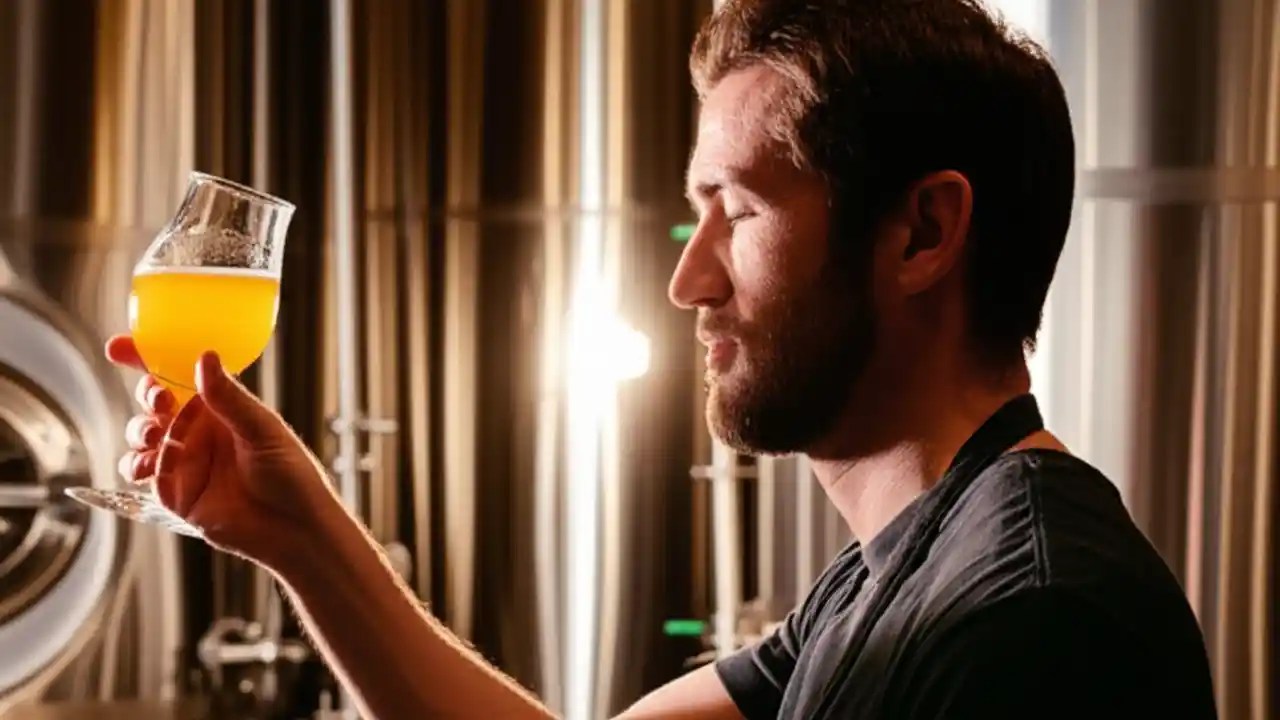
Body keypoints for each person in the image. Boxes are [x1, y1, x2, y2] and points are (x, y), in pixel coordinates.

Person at [111, 0, 1217, 718]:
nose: (688, 281)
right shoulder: (898, 569)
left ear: (920, 234)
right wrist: (296, 529)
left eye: (735, 211)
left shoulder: (1027, 629)